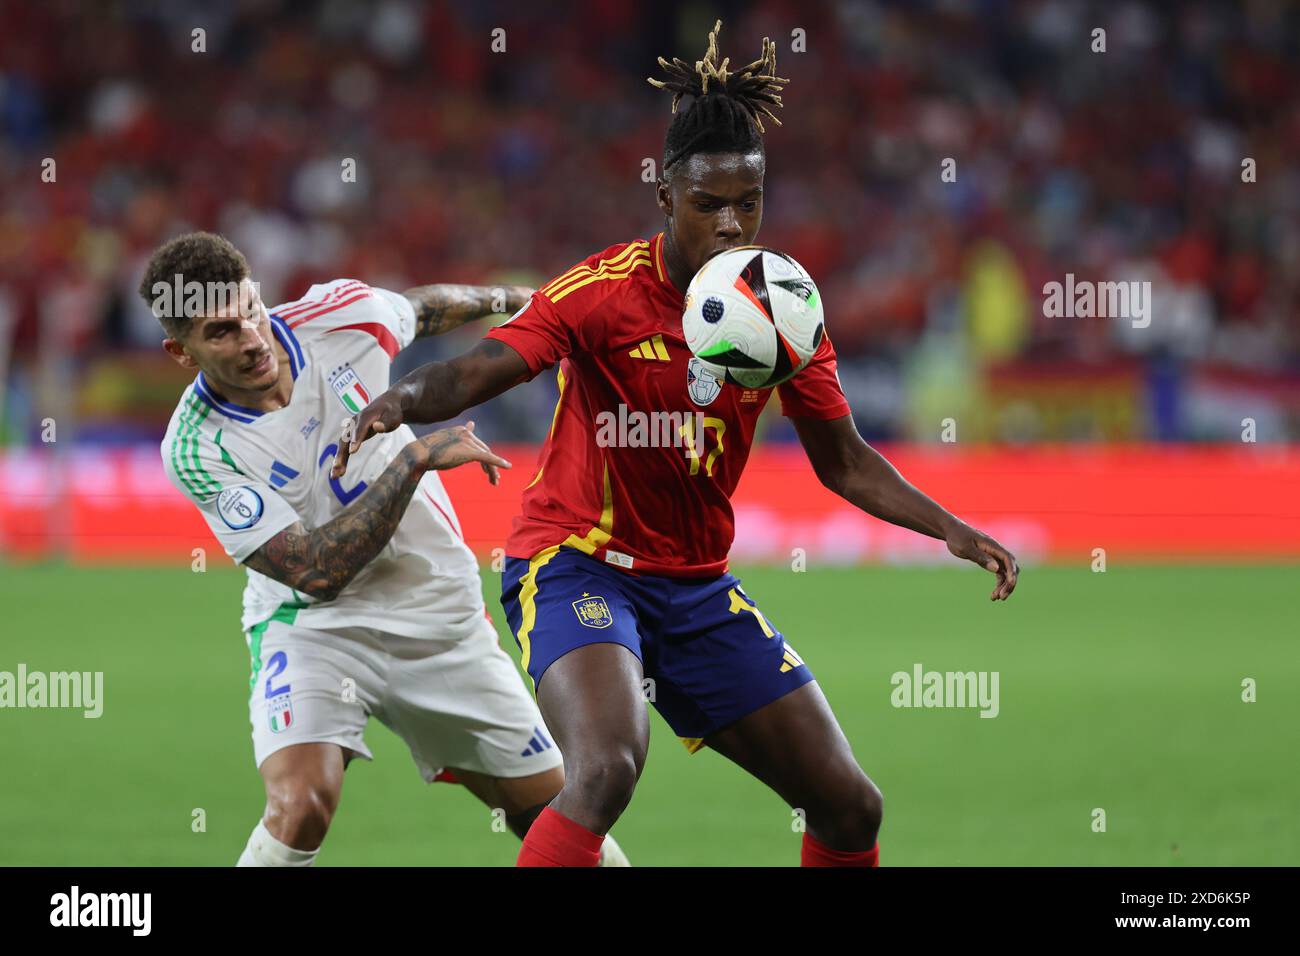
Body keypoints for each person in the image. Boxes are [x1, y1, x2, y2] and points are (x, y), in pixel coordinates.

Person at [334, 22, 1018, 867]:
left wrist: (947, 525)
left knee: (850, 807)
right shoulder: (600, 292)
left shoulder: (783, 310)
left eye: (749, 204)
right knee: (606, 767)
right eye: (709, 205)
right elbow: (484, 367)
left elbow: (841, 461)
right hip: (576, 564)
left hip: (694, 587)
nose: (732, 225)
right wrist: (400, 400)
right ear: (665, 196)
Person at [146, 231, 628, 866]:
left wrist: (507, 297)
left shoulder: (340, 316)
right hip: (314, 627)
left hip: (435, 612)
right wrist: (415, 459)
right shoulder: (196, 447)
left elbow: (420, 309)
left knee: (555, 808)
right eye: (222, 332)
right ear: (181, 352)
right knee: (300, 805)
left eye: (251, 311)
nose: (252, 338)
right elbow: (316, 572)